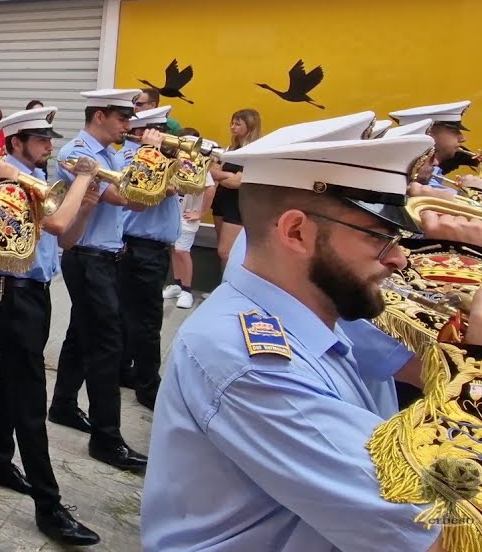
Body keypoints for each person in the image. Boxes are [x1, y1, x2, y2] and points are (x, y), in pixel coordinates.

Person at [140, 131, 447, 551]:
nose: (399, 259)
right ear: (297, 231)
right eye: (378, 238)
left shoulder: (316, 317)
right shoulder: (253, 362)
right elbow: (426, 527)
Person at [0, 106, 103, 545]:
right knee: (31, 398)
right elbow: (53, 221)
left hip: (34, 292)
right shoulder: (9, 176)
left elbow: (65, 237)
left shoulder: (40, 177)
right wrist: (87, 178)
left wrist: (85, 205)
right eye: (39, 138)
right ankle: (49, 506)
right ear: (15, 143)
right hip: (12, 293)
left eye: (50, 137)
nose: (50, 144)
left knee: (12, 380)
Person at [48, 88, 150, 472]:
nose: (128, 125)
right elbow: (123, 198)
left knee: (81, 333)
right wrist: (153, 158)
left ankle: (63, 405)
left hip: (107, 256)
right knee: (108, 344)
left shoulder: (115, 153)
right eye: (123, 117)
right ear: (100, 116)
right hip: (87, 256)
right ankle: (107, 439)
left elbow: (140, 200)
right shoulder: (78, 152)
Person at [117, 106, 182, 410]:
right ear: (144, 132)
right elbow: (141, 195)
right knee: (146, 320)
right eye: (160, 129)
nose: (166, 135)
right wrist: (153, 155)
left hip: (153, 248)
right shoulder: (131, 158)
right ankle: (148, 386)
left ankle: (128, 370)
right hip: (140, 247)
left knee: (134, 317)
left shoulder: (157, 156)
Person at [162, 126, 215, 310]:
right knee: (174, 250)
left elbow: (210, 189)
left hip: (188, 216)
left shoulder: (199, 165)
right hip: (172, 214)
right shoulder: (173, 160)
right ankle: (176, 285)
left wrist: (200, 213)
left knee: (183, 251)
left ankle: (187, 290)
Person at [211, 108, 261, 269]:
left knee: (226, 251)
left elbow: (237, 183)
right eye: (232, 123)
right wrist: (227, 176)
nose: (233, 127)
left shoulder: (253, 152)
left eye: (237, 124)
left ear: (250, 126)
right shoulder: (230, 149)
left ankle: (229, 285)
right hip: (221, 200)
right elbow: (211, 171)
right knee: (221, 248)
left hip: (237, 204)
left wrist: (222, 175)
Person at [389, 101, 470, 190]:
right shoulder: (420, 178)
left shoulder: (433, 172)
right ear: (429, 131)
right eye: (455, 131)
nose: (462, 138)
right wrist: (475, 189)